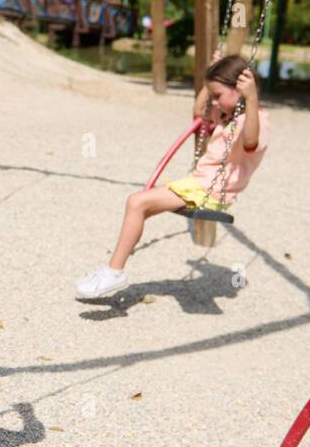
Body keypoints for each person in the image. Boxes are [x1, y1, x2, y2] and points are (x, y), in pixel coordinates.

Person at [75, 54, 268, 299]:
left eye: (218, 96)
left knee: (137, 201)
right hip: (200, 184)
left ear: (240, 90)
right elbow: (199, 112)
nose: (215, 103)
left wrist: (251, 98)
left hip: (210, 190)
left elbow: (251, 141)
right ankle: (112, 268)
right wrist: (208, 79)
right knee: (140, 206)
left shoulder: (256, 119)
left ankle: (113, 272)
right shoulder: (226, 117)